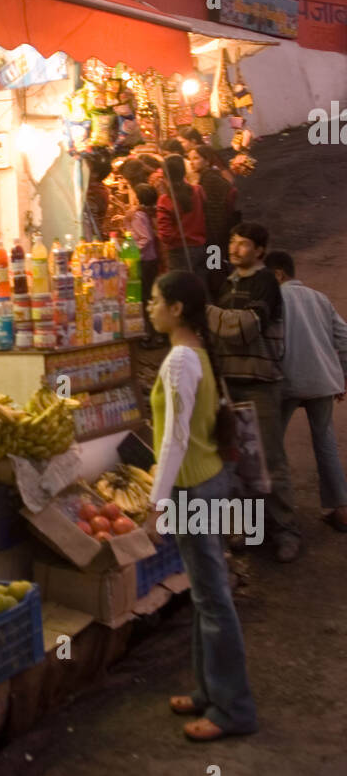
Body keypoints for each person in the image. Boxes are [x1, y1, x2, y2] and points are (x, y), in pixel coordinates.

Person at [143, 271, 258, 742]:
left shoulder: (179, 363)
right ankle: (208, 691)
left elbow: (175, 439)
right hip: (208, 481)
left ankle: (233, 710)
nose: (149, 307)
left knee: (212, 599)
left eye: (155, 301)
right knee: (204, 594)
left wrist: (156, 504)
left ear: (177, 309)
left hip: (194, 489)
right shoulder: (196, 356)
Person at [207, 223, 302, 562]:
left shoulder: (265, 283)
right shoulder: (229, 284)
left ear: (260, 251)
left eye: (244, 243)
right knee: (238, 462)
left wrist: (207, 314)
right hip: (230, 382)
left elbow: (242, 329)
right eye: (232, 241)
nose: (235, 248)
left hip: (261, 384)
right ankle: (249, 529)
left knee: (270, 461)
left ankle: (286, 530)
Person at [265, 250, 347, 532]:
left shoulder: (274, 300)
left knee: (273, 446)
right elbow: (344, 339)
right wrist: (342, 378)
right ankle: (340, 508)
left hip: (287, 382)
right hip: (322, 382)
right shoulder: (320, 299)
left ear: (277, 274)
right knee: (325, 442)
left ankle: (276, 513)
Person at [187, 144, 238, 290]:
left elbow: (215, 214)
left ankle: (220, 294)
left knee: (214, 268)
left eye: (196, 158)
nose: (191, 162)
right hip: (216, 234)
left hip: (216, 236)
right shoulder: (207, 177)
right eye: (190, 159)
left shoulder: (210, 181)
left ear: (207, 160)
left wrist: (211, 242)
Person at [156, 154, 208, 280]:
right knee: (201, 284)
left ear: (164, 175)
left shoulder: (165, 200)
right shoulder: (198, 190)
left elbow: (165, 235)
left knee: (181, 288)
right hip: (201, 247)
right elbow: (207, 215)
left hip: (178, 252)